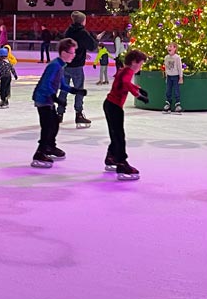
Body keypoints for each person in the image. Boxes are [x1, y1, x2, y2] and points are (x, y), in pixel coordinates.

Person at [30, 38, 85, 167]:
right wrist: (56, 99)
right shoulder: (54, 66)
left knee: (54, 123)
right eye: (72, 52)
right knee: (47, 126)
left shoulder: (60, 65)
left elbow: (61, 84)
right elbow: (47, 84)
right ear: (64, 53)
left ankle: (50, 146)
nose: (74, 55)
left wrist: (75, 90)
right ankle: (40, 152)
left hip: (48, 99)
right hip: (42, 99)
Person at [103, 49, 150, 180]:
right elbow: (125, 83)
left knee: (115, 133)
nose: (140, 67)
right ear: (134, 62)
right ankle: (121, 163)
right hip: (114, 107)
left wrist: (139, 89)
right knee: (119, 135)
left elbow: (126, 83)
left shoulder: (123, 70)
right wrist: (138, 96)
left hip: (109, 104)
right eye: (140, 64)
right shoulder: (128, 71)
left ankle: (111, 156)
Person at [59, 11, 99, 127]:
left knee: (63, 90)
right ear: (82, 21)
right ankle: (79, 114)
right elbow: (92, 46)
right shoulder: (83, 33)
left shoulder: (68, 31)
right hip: (76, 66)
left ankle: (59, 114)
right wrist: (94, 38)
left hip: (66, 64)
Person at [163, 42, 184, 113]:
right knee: (168, 91)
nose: (169, 48)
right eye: (168, 46)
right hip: (169, 77)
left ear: (175, 48)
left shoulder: (177, 58)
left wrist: (181, 77)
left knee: (176, 91)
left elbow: (180, 68)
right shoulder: (166, 57)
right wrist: (166, 75)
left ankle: (177, 105)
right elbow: (166, 67)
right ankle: (168, 104)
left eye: (171, 46)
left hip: (175, 77)